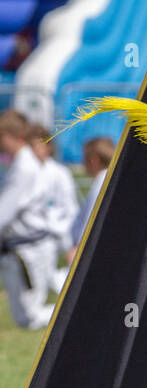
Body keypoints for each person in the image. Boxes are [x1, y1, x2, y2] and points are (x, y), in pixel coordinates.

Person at [0, 109, 55, 330]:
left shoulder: (24, 168)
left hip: (30, 249)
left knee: (30, 318)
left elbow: (4, 213)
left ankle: (79, 310)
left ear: (16, 137)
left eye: (2, 138)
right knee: (24, 319)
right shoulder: (20, 164)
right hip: (22, 248)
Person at [28, 124, 78, 293]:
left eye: (37, 145)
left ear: (48, 147)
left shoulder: (60, 173)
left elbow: (70, 209)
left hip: (57, 233)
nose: (34, 151)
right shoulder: (25, 172)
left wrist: (69, 241)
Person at [69, 135, 115, 251]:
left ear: (94, 160)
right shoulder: (107, 178)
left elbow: (91, 218)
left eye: (84, 158)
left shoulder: (102, 182)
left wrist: (79, 247)